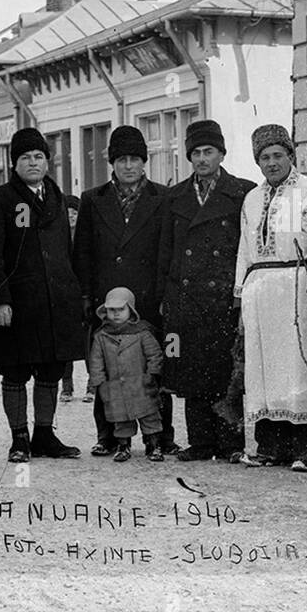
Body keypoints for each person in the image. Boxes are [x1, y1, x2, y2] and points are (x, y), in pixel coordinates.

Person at [236, 124, 307, 471]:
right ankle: (270, 447)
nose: (272, 163)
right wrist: (240, 294)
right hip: (259, 288)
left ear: (291, 156)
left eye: (278, 155)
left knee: (300, 366)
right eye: (264, 157)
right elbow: (243, 250)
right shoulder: (252, 198)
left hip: (297, 284)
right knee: (264, 368)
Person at [0, 127, 84, 462]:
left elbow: (67, 251)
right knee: (15, 371)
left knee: (51, 369)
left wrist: (74, 294)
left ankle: (44, 434)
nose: (33, 162)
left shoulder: (57, 197)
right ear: (14, 164)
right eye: (25, 157)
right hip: (18, 303)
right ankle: (19, 438)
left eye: (39, 156)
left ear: (47, 161)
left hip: (56, 301)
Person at [73, 125, 178, 455]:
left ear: (144, 161)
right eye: (121, 160)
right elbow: (83, 252)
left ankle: (160, 435)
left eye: (134, 159)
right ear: (112, 163)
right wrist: (86, 296)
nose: (128, 166)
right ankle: (108, 436)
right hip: (108, 301)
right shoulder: (93, 199)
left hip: (147, 298)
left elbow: (166, 250)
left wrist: (163, 296)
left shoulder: (163, 198)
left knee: (152, 366)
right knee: (108, 367)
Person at [161, 119, 256, 462]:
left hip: (224, 296)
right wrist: (167, 297)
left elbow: (248, 246)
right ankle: (200, 442)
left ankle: (230, 443)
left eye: (209, 151)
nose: (202, 159)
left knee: (225, 370)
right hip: (187, 298)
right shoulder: (175, 196)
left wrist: (241, 292)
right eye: (196, 153)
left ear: (221, 154)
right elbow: (166, 252)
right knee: (191, 368)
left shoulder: (243, 192)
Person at [86, 287, 166, 462]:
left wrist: (152, 376)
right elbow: (96, 361)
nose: (116, 314)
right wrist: (99, 383)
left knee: (150, 417)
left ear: (131, 310)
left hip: (141, 385)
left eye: (121, 309)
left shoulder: (142, 333)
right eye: (111, 310)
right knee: (121, 419)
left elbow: (154, 355)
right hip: (115, 387)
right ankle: (123, 445)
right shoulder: (101, 336)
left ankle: (153, 445)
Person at [60, 194, 84, 403]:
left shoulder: (85, 235)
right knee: (65, 343)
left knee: (89, 342)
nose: (71, 217)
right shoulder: (58, 235)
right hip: (65, 296)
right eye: (67, 213)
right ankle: (66, 386)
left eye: (74, 213)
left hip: (83, 294)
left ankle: (92, 385)